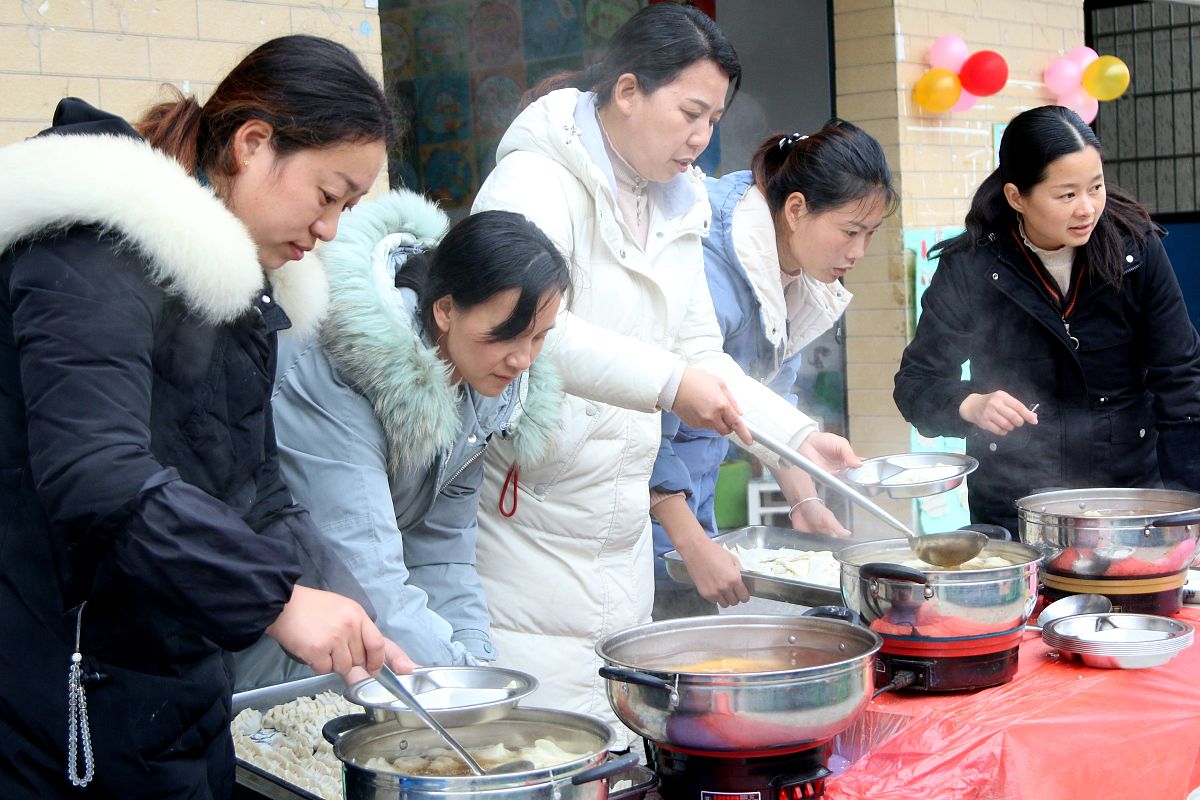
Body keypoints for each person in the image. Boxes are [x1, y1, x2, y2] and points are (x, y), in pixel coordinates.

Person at [0, 35, 415, 799]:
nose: (330, 231)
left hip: (173, 699)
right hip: (58, 715)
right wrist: (279, 599)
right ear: (254, 144)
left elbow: (255, 490)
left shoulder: (235, 288)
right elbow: (98, 479)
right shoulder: (93, 244)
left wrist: (352, 609)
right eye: (329, 196)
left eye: (348, 209)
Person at [469, 3, 861, 738]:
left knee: (624, 739)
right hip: (533, 521)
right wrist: (668, 384)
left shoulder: (678, 208)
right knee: (551, 740)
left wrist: (794, 437)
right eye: (689, 113)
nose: (701, 138)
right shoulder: (535, 182)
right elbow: (521, 330)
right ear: (626, 91)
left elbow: (700, 351)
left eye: (713, 119)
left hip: (618, 524)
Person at [234, 197, 568, 689]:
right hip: (259, 638)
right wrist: (469, 691)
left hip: (355, 644)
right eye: (506, 334)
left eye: (539, 338)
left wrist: (475, 663)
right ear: (446, 310)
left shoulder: (480, 388)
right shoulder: (340, 370)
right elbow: (366, 575)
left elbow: (442, 555)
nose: (522, 360)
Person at [894, 105, 1200, 537]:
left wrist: (1188, 505)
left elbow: (1181, 379)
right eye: (1067, 195)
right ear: (1017, 196)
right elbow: (916, 382)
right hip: (1015, 507)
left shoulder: (1136, 249)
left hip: (1128, 499)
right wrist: (970, 404)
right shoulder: (972, 265)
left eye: (1096, 188)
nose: (1087, 209)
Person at [651, 119, 897, 618]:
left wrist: (804, 500)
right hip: (641, 515)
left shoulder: (792, 276)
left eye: (869, 234)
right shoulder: (712, 273)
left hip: (689, 504)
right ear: (796, 209)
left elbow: (770, 401)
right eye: (850, 232)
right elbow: (644, 430)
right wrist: (693, 546)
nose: (858, 252)